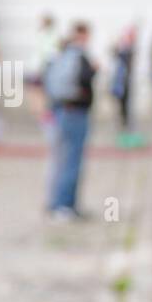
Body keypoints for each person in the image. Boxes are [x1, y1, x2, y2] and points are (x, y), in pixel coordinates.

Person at [43, 22, 96, 221]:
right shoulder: (78, 56)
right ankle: (64, 205)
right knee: (72, 161)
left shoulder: (61, 54)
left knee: (61, 159)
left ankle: (59, 203)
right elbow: (84, 78)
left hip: (63, 110)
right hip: (76, 113)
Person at [110, 26, 136, 131]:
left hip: (125, 81)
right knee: (122, 104)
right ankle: (123, 123)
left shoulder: (128, 51)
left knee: (125, 105)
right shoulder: (122, 51)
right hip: (121, 82)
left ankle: (125, 123)